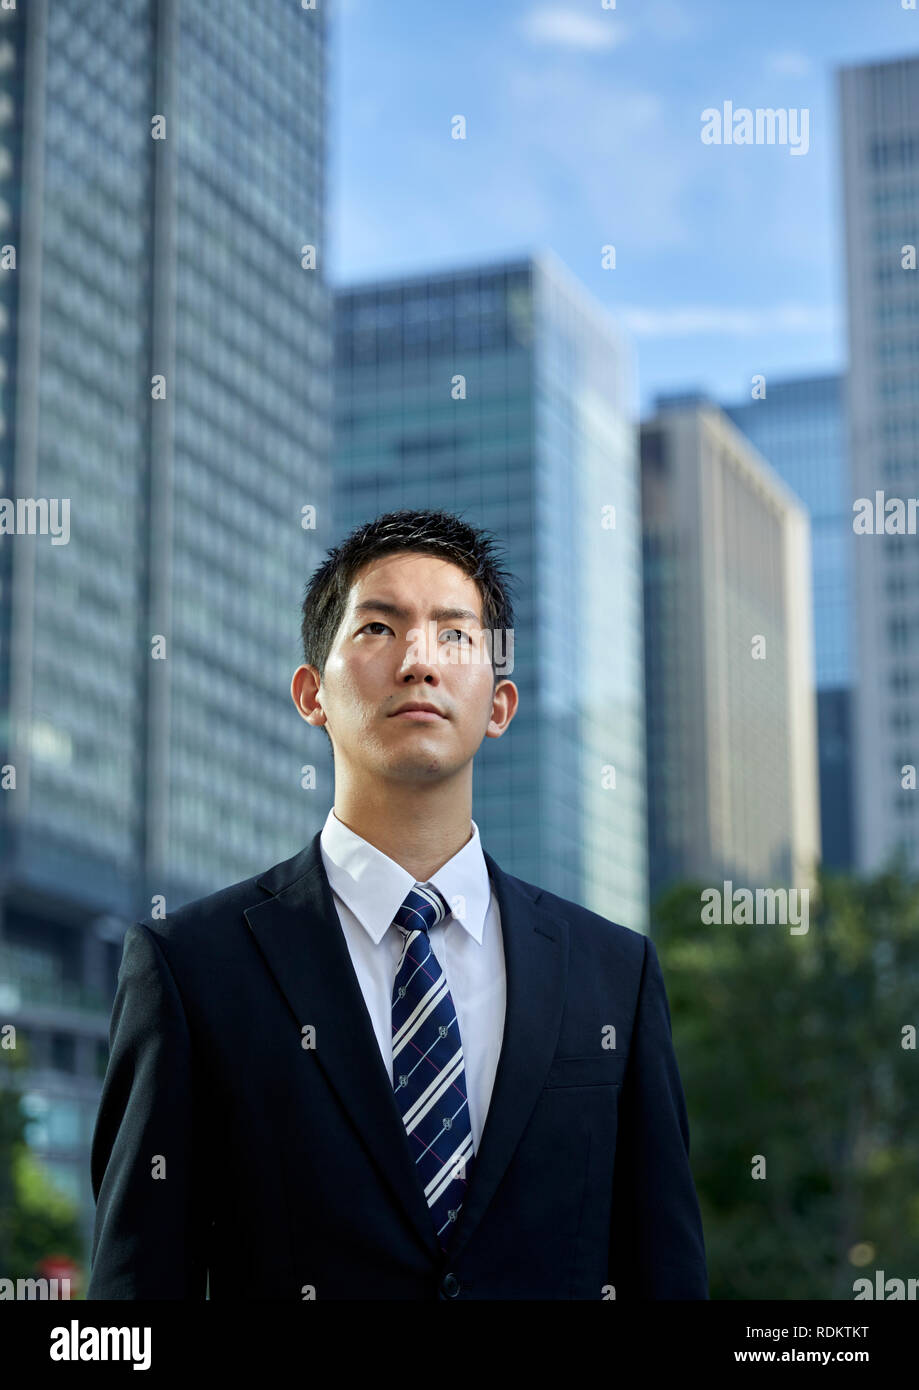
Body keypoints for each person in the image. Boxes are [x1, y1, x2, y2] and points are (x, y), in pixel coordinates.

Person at [87, 507, 707, 1300]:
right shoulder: (191, 970)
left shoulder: (612, 973)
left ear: (498, 706)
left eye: (455, 635)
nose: (419, 661)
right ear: (311, 694)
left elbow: (666, 1274)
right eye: (379, 628)